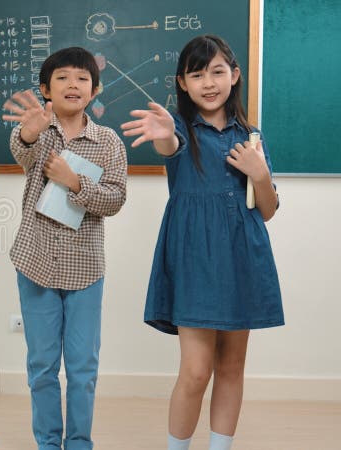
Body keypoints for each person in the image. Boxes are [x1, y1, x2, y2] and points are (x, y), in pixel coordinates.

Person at [120, 35, 284, 450]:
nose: (208, 83)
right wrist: (163, 134)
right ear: (182, 83)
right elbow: (169, 145)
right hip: (194, 258)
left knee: (231, 367)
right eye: (197, 74)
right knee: (195, 372)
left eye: (217, 71)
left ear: (235, 74)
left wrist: (260, 173)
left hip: (243, 257)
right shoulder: (179, 129)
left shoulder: (251, 136)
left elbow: (267, 209)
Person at [1, 46, 128, 450]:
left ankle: (78, 443)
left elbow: (115, 199)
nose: (73, 84)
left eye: (82, 78)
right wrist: (30, 131)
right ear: (46, 89)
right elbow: (21, 150)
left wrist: (74, 182)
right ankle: (47, 443)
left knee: (83, 368)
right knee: (41, 366)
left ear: (95, 89)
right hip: (35, 262)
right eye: (62, 78)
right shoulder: (39, 130)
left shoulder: (108, 142)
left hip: (85, 269)